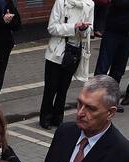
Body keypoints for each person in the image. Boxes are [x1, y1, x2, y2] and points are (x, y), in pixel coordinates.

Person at [38, 0, 92, 130]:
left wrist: (84, 29)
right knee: (50, 89)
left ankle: (58, 118)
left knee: (63, 89)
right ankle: (45, 118)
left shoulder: (89, 4)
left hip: (74, 52)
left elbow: (89, 31)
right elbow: (52, 27)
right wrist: (73, 27)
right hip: (56, 53)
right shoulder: (61, 2)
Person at [94, 0, 129, 82]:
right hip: (113, 30)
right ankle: (96, 94)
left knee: (118, 71)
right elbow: (119, 2)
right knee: (102, 69)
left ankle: (111, 93)